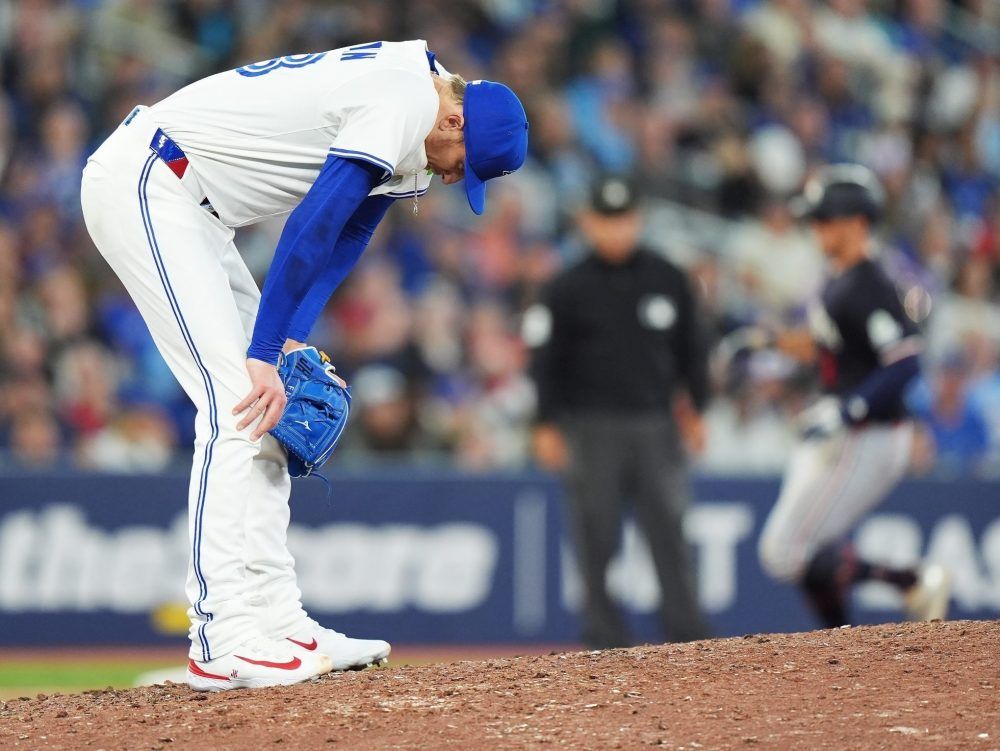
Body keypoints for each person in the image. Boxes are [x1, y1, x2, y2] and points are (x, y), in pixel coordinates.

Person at [80, 40, 528, 691]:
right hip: (151, 179)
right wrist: (263, 352)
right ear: (455, 121)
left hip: (198, 212)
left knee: (272, 407)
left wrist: (288, 337)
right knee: (237, 402)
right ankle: (219, 632)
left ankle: (276, 617)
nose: (458, 178)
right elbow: (312, 222)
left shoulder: (420, 114)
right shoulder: (403, 99)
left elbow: (349, 234)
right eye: (465, 165)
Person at [755, 165, 950, 628]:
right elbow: (830, 343)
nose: (816, 227)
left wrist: (849, 410)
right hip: (843, 429)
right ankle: (840, 641)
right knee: (807, 550)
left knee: (784, 551)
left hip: (868, 432)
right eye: (815, 219)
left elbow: (905, 360)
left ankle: (913, 581)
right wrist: (770, 343)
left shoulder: (870, 283)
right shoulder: (839, 278)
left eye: (827, 218)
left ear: (858, 222)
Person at [525, 175, 712, 649]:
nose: (615, 230)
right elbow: (545, 361)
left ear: (639, 219)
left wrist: (698, 407)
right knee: (595, 533)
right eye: (605, 221)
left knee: (668, 529)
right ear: (587, 223)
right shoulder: (566, 287)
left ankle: (686, 631)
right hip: (591, 426)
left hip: (656, 422)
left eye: (623, 219)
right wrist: (546, 422)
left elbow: (693, 350)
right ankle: (603, 634)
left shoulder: (668, 278)